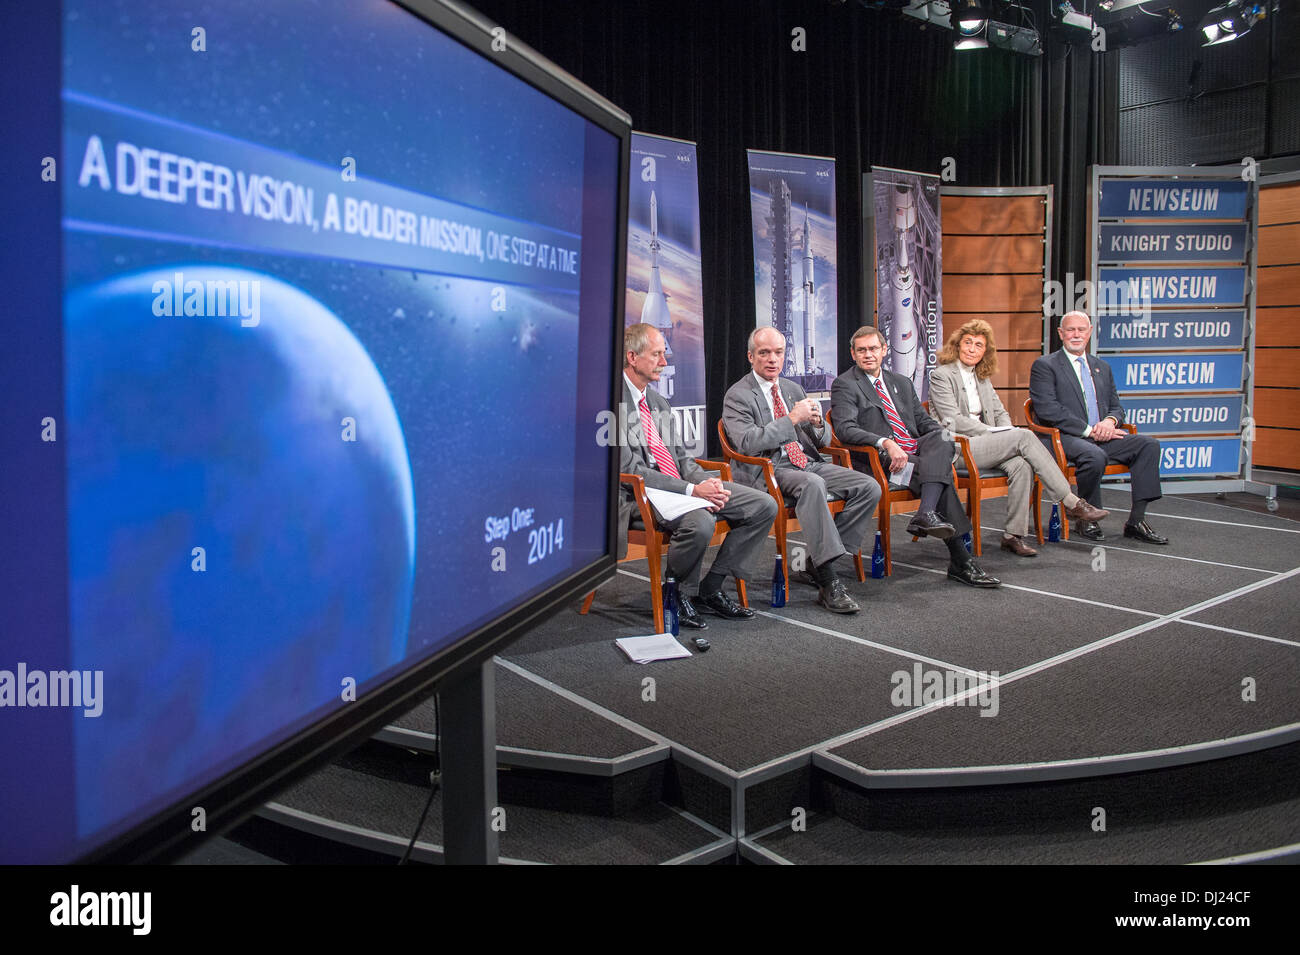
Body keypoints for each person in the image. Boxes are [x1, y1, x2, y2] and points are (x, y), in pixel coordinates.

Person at [619, 323, 778, 630]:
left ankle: (711, 587)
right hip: (637, 496)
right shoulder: (610, 403)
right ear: (632, 357)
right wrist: (693, 490)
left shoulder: (657, 402)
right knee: (701, 521)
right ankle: (677, 591)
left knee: (763, 506)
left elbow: (680, 459)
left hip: (677, 488)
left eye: (663, 354)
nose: (665, 362)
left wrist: (706, 483)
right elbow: (632, 471)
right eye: (657, 355)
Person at [721, 326, 880, 614]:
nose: (772, 359)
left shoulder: (793, 389)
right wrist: (792, 418)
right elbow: (746, 443)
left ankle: (818, 562)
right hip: (767, 467)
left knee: (869, 487)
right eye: (764, 353)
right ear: (750, 356)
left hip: (805, 461)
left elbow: (823, 440)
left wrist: (818, 424)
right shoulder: (739, 395)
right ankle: (829, 581)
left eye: (778, 353)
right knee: (812, 484)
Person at [830, 324, 1000, 587]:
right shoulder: (845, 384)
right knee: (940, 478)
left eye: (873, 348)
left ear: (884, 350)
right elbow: (844, 429)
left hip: (914, 451)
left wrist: (938, 435)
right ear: (853, 354)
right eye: (861, 350)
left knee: (942, 438)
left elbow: (923, 422)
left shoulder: (900, 382)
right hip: (883, 461)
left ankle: (927, 514)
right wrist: (885, 442)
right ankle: (960, 559)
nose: (868, 355)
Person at [928, 319, 1110, 557]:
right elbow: (953, 419)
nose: (972, 349)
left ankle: (1012, 536)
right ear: (957, 345)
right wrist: (995, 433)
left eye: (979, 345)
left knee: (1022, 464)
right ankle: (1071, 502)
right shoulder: (941, 375)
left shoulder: (982, 378)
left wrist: (1004, 431)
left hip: (987, 445)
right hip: (958, 447)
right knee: (1023, 436)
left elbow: (1001, 413)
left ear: (986, 351)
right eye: (968, 343)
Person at [1028, 310, 1168, 544]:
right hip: (1064, 437)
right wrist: (1089, 430)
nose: (1076, 334)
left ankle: (1136, 521)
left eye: (1081, 330)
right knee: (1094, 455)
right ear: (1061, 333)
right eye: (1070, 330)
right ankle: (1087, 517)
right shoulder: (1045, 365)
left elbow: (1116, 407)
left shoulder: (1102, 366)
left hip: (1100, 435)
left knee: (1148, 445)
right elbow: (1048, 410)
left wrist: (1109, 422)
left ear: (1089, 332)